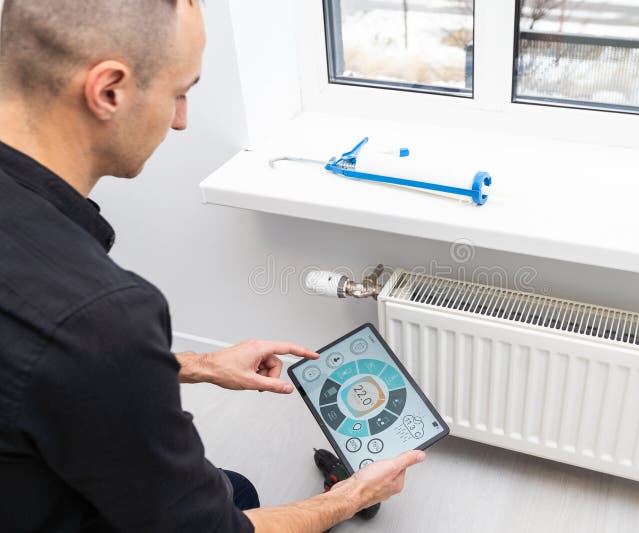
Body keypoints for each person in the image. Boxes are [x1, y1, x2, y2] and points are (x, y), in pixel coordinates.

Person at [0, 1, 425, 532]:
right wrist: (351, 495)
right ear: (108, 90)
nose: (181, 120)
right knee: (237, 498)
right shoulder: (99, 316)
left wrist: (197, 364)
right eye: (179, 93)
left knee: (235, 488)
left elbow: (36, 361)